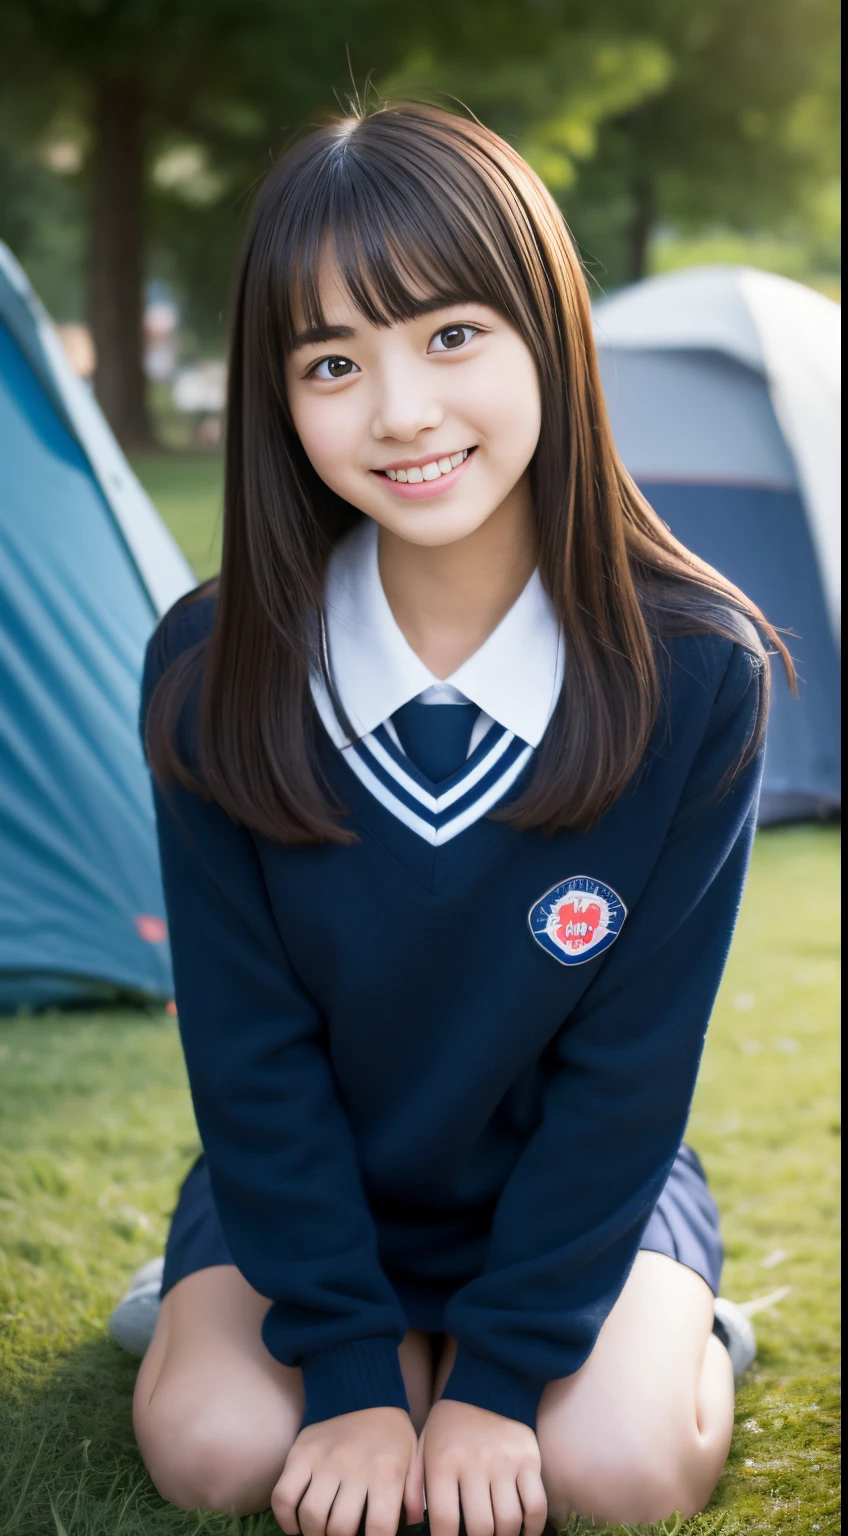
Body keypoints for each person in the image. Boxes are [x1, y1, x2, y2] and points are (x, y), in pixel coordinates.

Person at [113, 102, 795, 1530]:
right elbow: (249, 1052)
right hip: (308, 1195)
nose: (402, 412)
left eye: (453, 335)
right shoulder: (213, 666)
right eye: (333, 362)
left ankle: (677, 1324)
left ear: (552, 333)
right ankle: (233, 1307)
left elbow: (629, 1073)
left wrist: (494, 1380)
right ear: (276, 395)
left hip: (573, 1194)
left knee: (616, 1472)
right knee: (218, 1451)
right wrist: (355, 1374)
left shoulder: (696, 670)